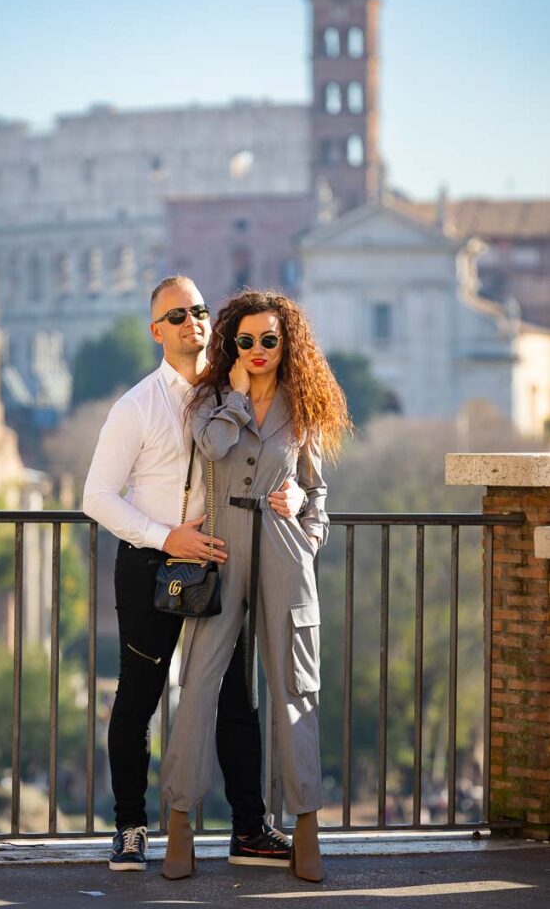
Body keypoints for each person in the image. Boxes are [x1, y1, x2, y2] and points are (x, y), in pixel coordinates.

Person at [82, 277, 307, 872]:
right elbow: (96, 497)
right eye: (177, 315)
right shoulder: (136, 406)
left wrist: (295, 494)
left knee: (237, 699)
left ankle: (248, 829)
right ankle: (131, 828)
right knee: (140, 696)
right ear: (156, 331)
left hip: (222, 561)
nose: (192, 322)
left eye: (200, 311)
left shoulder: (242, 388)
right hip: (152, 564)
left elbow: (281, 459)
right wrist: (166, 537)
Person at [161, 290, 350, 883]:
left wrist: (307, 527)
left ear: (287, 343)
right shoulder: (212, 399)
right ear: (232, 344)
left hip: (286, 552)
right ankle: (179, 825)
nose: (259, 349)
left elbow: (317, 491)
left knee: (296, 687)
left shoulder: (303, 405)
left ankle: (307, 826)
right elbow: (212, 447)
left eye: (270, 339)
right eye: (246, 340)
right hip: (220, 552)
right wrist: (239, 397)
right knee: (197, 684)